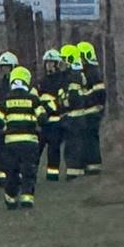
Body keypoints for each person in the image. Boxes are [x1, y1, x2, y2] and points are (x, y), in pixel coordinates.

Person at [0, 64, 50, 211]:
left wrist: (7, 127)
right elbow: (43, 118)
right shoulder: (33, 99)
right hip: (30, 142)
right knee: (28, 170)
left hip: (11, 143)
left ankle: (11, 198)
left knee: (12, 171)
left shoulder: (6, 99)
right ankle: (27, 198)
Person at [37, 48, 68, 182]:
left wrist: (48, 109)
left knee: (53, 150)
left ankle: (52, 175)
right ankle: (30, 174)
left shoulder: (62, 80)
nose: (49, 65)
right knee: (36, 149)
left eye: (51, 63)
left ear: (57, 64)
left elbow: (62, 100)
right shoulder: (42, 81)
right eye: (47, 63)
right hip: (43, 122)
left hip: (56, 121)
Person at [77, 40, 106, 175]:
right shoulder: (89, 71)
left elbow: (99, 93)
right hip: (89, 111)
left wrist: (82, 98)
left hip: (92, 111)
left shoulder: (92, 72)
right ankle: (88, 165)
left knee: (90, 138)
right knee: (87, 138)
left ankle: (93, 166)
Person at [61, 58, 91, 181]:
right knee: (79, 143)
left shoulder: (72, 78)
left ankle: (73, 172)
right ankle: (79, 169)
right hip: (81, 116)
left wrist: (64, 102)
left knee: (72, 145)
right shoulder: (80, 76)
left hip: (73, 117)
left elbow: (72, 99)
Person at [0, 51, 19, 186]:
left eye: (7, 67)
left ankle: (17, 174)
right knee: (1, 150)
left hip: (16, 121)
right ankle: (2, 176)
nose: (5, 70)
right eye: (3, 67)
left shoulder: (19, 83)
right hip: (1, 121)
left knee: (15, 150)